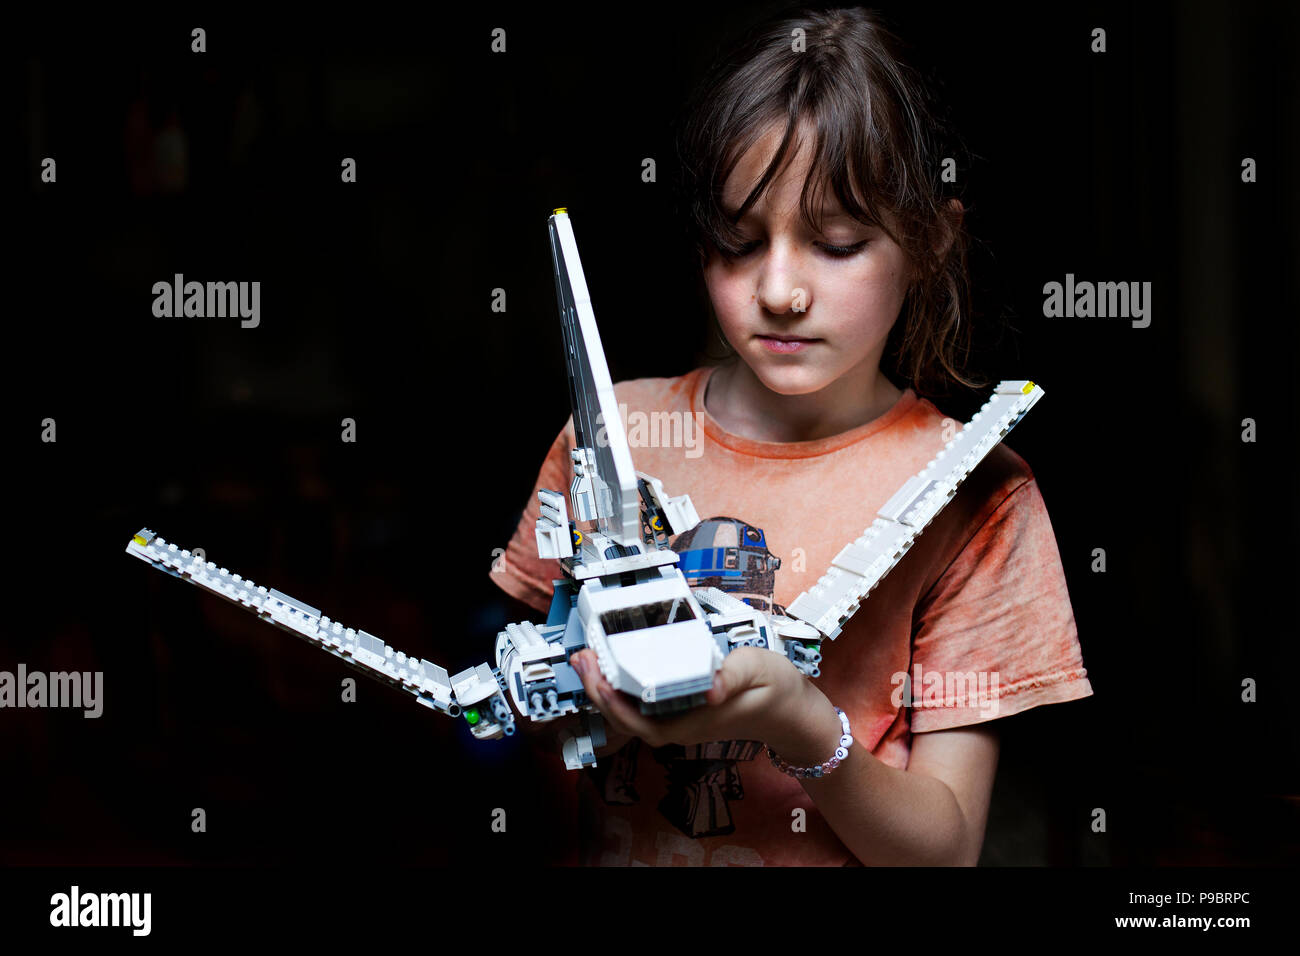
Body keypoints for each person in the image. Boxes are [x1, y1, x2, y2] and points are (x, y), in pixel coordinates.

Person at [489, 6, 1092, 866]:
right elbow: (537, 743)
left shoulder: (976, 497)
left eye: (837, 243)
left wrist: (799, 724)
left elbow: (945, 851)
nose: (779, 289)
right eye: (738, 242)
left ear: (929, 241)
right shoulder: (612, 439)